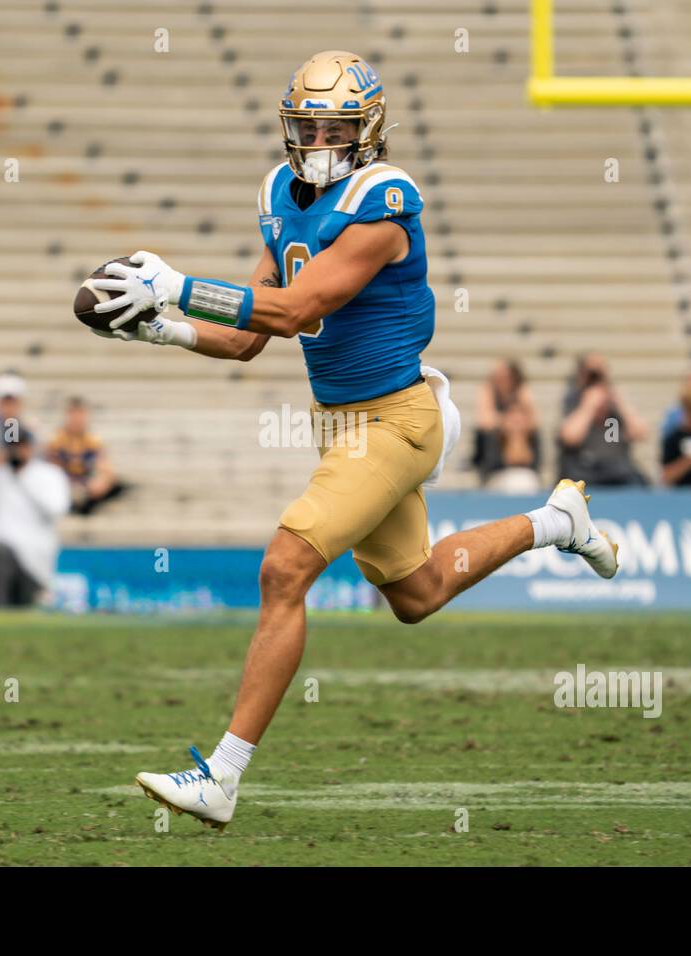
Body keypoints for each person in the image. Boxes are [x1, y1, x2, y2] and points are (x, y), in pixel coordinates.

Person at [82, 50, 619, 830]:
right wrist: (161, 329)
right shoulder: (278, 193)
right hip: (341, 424)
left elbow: (298, 309)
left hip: (394, 423)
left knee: (286, 566)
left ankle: (222, 776)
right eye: (307, 125)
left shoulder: (384, 203)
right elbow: (246, 335)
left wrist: (175, 285)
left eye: (334, 126)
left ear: (368, 130)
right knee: (418, 594)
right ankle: (556, 522)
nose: (318, 140)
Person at [0, 428, 70, 608]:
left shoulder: (48, 474)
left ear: (30, 447)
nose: (17, 451)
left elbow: (56, 509)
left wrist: (22, 478)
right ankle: (0, 610)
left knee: (25, 604)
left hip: (35, 557)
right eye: (12, 447)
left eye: (20, 446)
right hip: (2, 548)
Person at [557, 352, 649, 486]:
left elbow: (640, 433)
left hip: (619, 473)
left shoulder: (615, 404)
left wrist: (619, 401)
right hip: (584, 473)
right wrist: (588, 406)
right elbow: (569, 437)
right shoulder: (574, 402)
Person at [472, 358, 541, 492]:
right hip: (496, 473)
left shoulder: (522, 400)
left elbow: (534, 422)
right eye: (497, 377)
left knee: (524, 481)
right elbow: (485, 422)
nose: (501, 381)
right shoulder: (490, 400)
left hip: (524, 473)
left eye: (506, 377)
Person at [47, 396, 124, 514]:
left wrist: (101, 481)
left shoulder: (93, 442)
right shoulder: (57, 441)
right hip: (65, 488)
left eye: (81, 414)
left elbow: (106, 470)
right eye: (73, 414)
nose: (77, 419)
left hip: (87, 489)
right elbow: (51, 470)